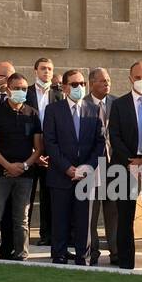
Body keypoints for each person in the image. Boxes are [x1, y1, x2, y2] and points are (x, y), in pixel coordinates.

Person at [43, 69, 104, 265]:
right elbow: (50, 142)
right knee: (60, 219)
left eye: (82, 84)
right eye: (75, 84)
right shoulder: (53, 110)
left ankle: (82, 257)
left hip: (86, 176)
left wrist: (86, 167)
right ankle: (59, 256)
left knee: (84, 222)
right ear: (65, 87)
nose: (79, 88)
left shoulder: (94, 109)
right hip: (61, 175)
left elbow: (100, 143)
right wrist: (67, 168)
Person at [0, 72, 43, 261]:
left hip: (25, 174)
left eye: (24, 89)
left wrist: (23, 166)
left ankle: (22, 254)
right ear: (8, 89)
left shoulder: (32, 114)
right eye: (17, 88)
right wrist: (8, 165)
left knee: (22, 219)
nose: (21, 92)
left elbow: (39, 148)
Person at [108, 61, 142, 271]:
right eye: (137, 77)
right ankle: (125, 262)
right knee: (125, 216)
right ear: (130, 79)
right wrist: (132, 161)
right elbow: (115, 135)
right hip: (124, 165)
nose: (141, 81)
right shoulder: (119, 105)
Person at [84, 67, 118, 266]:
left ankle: (116, 252)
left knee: (114, 213)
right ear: (91, 83)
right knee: (90, 214)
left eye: (108, 80)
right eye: (102, 81)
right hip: (92, 168)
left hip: (115, 168)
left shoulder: (117, 104)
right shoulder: (83, 104)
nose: (107, 83)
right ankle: (92, 252)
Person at [27, 57, 57, 246]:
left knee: (49, 198)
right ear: (36, 70)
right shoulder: (26, 92)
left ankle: (47, 236)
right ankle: (23, 236)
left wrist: (49, 153)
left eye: (50, 69)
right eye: (43, 68)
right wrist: (34, 153)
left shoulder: (58, 95)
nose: (47, 72)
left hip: (50, 154)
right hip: (29, 153)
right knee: (26, 197)